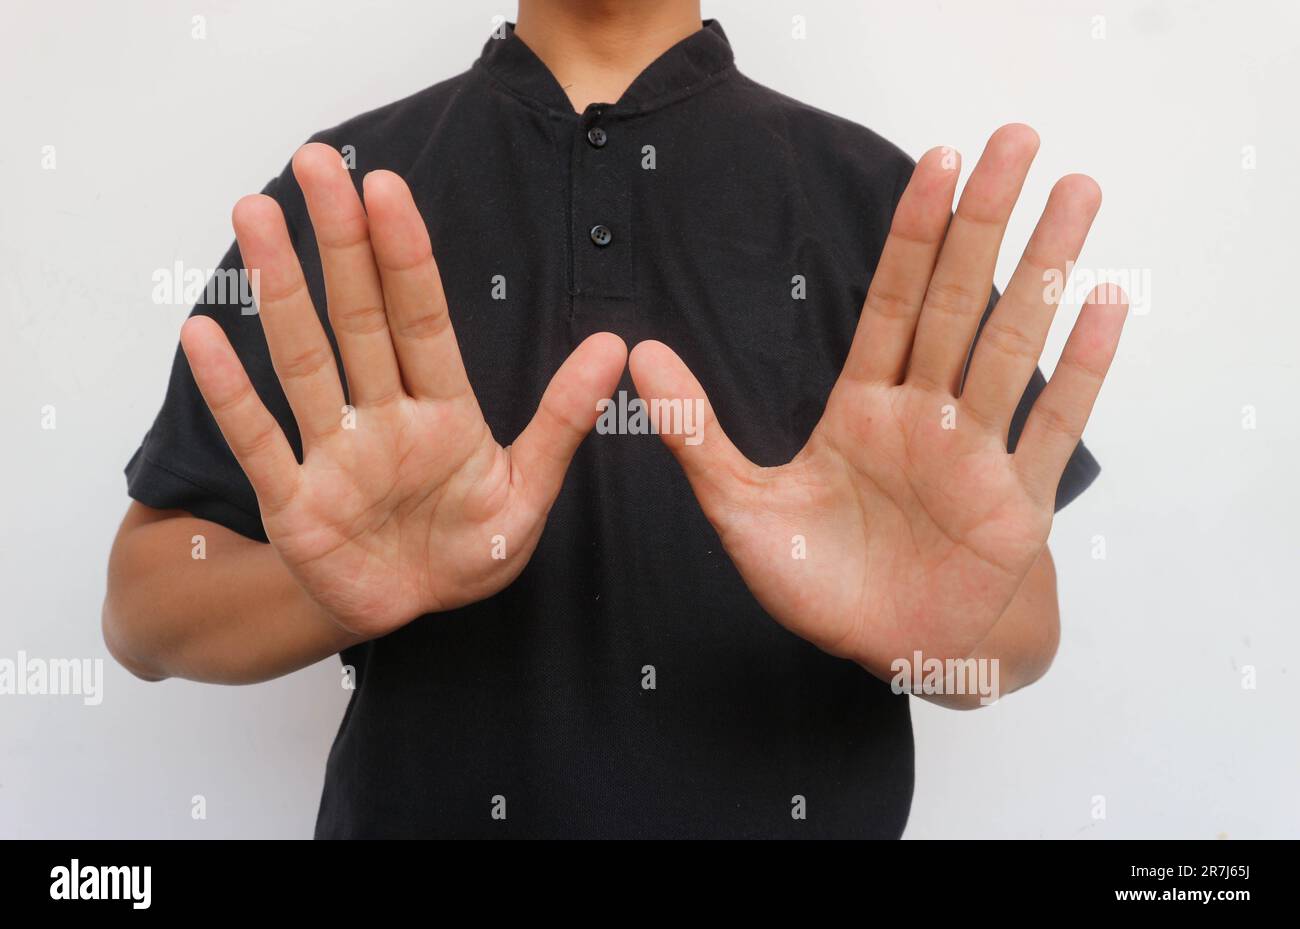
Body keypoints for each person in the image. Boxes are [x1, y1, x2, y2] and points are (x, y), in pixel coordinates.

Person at [103, 0, 1127, 838]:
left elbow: (1021, 622)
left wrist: (921, 628)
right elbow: (143, 608)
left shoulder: (871, 201)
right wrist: (335, 586)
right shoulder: (347, 194)